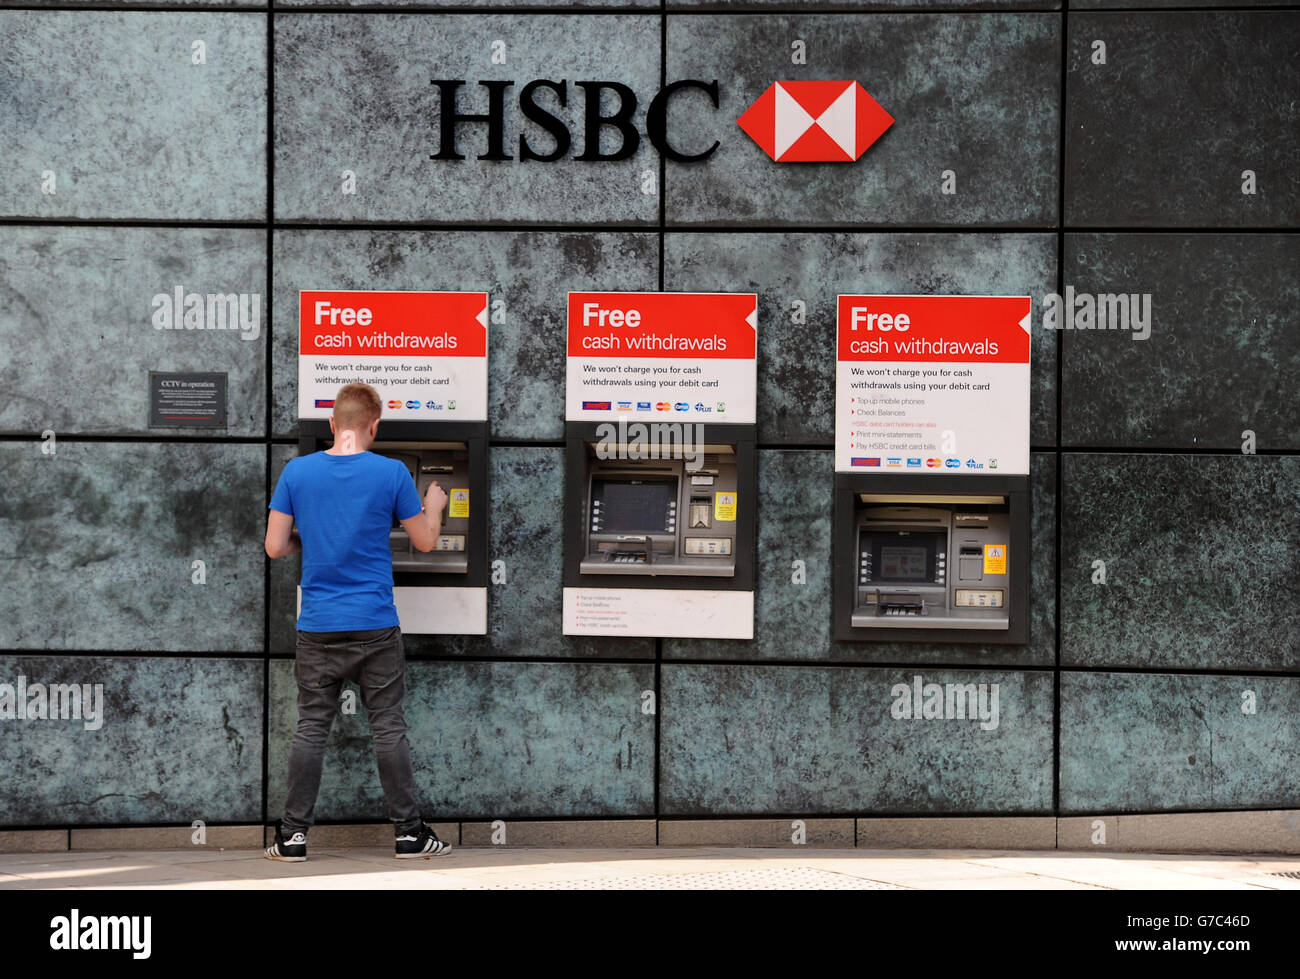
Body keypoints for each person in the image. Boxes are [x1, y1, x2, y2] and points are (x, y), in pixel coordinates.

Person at [263, 382, 452, 862]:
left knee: (311, 727)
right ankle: (409, 835)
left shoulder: (297, 472)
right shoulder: (391, 473)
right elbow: (426, 541)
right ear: (374, 426)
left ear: (332, 425)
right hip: (374, 624)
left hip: (319, 626)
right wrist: (435, 505)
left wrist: (316, 540)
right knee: (388, 727)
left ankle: (292, 838)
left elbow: (275, 546)